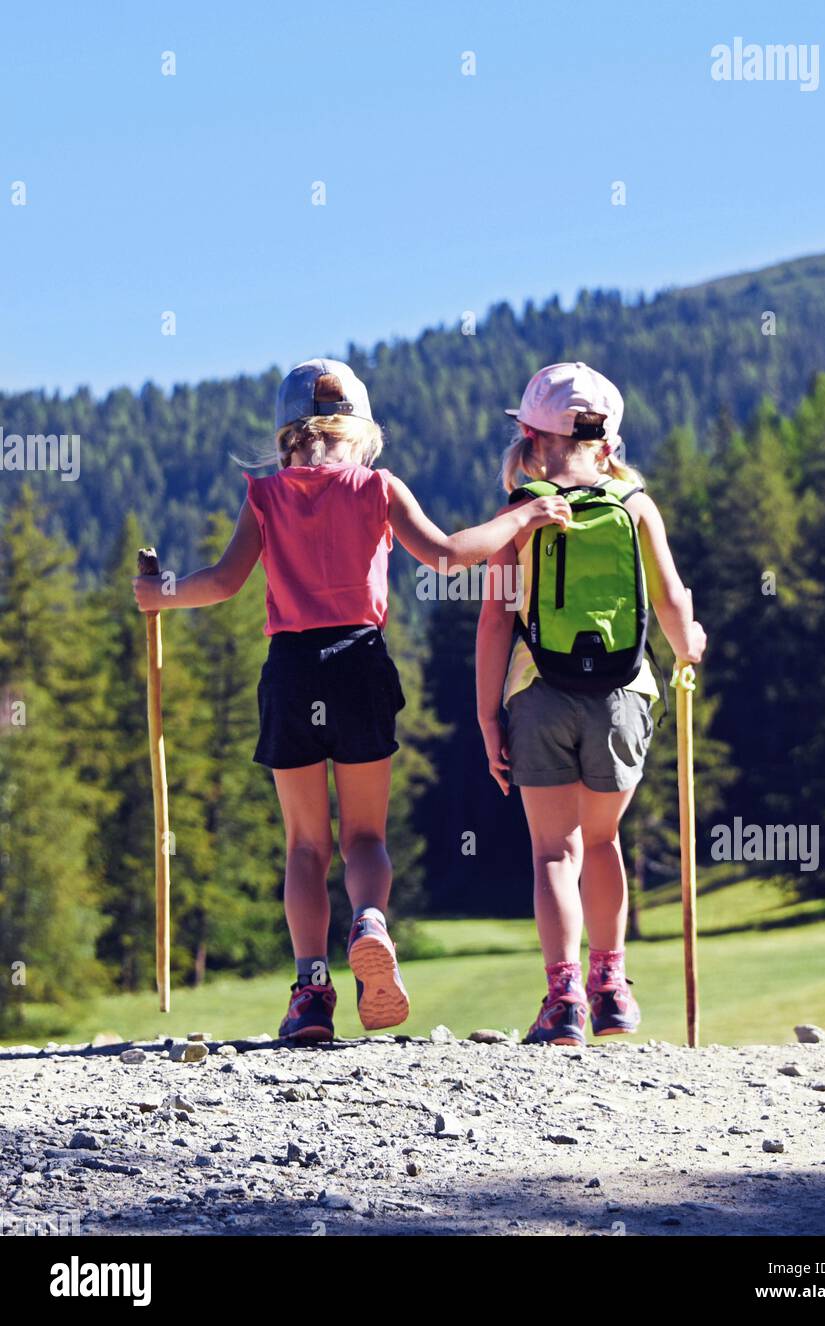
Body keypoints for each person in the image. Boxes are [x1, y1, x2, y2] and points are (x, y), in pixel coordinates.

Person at [133, 358, 569, 1042]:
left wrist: (159, 594)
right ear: (361, 431)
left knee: (307, 844)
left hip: (292, 670)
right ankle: (370, 920)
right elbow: (451, 556)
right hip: (360, 664)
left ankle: (310, 991)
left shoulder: (266, 497)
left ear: (285, 435)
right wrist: (524, 518)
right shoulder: (377, 488)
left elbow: (221, 584)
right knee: (365, 836)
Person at [475, 362, 706, 1046]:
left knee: (554, 851)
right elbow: (668, 602)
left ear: (528, 436)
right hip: (623, 696)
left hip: (538, 695)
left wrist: (490, 716)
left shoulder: (519, 514)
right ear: (610, 441)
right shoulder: (635, 504)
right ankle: (613, 987)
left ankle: (563, 998)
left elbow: (495, 621)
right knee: (602, 842)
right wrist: (688, 646)